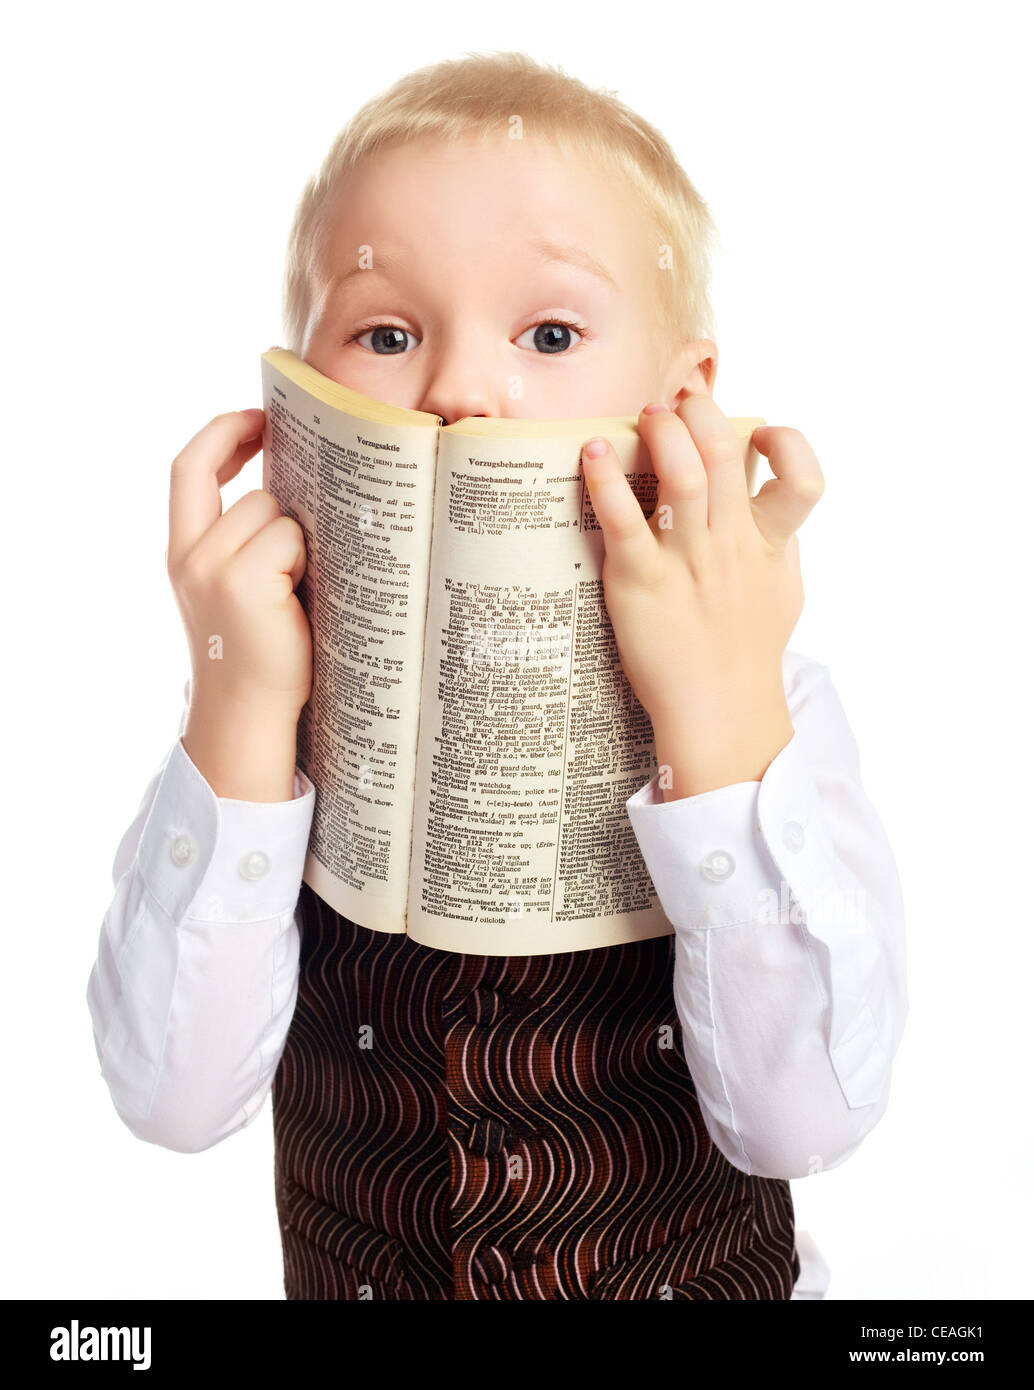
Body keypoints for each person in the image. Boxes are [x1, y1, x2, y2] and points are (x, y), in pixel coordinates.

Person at [86, 50, 908, 1300]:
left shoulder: (769, 708)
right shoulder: (266, 716)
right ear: (294, 390)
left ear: (677, 400)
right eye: (385, 332)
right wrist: (238, 707)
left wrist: (718, 716)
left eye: (551, 332)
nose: (460, 389)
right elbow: (172, 1101)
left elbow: (804, 1125)